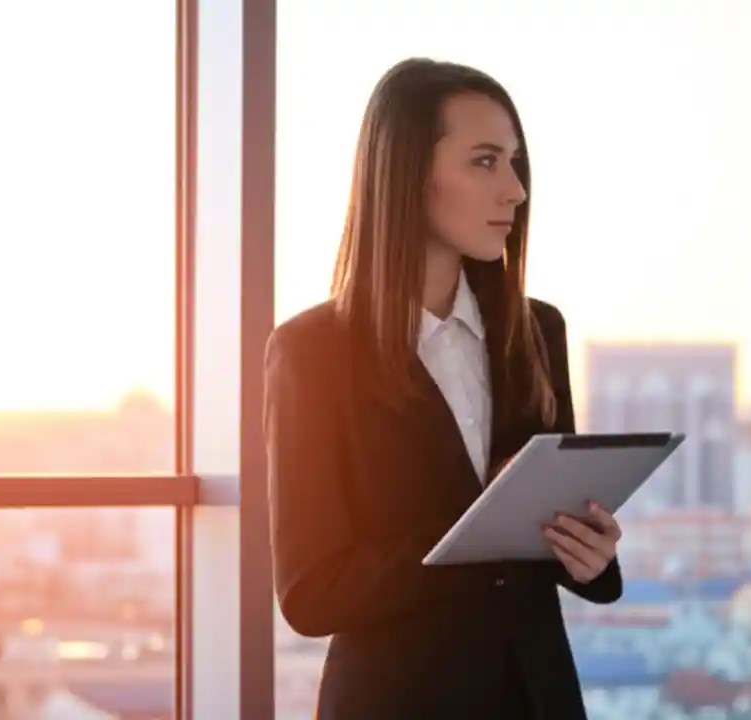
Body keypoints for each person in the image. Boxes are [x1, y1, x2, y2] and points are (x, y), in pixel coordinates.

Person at [264, 57, 625, 720]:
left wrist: (592, 556)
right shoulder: (312, 353)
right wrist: (474, 533)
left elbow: (558, 546)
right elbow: (311, 593)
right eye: (485, 162)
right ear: (407, 175)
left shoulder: (537, 330)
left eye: (515, 163)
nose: (515, 190)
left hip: (536, 700)